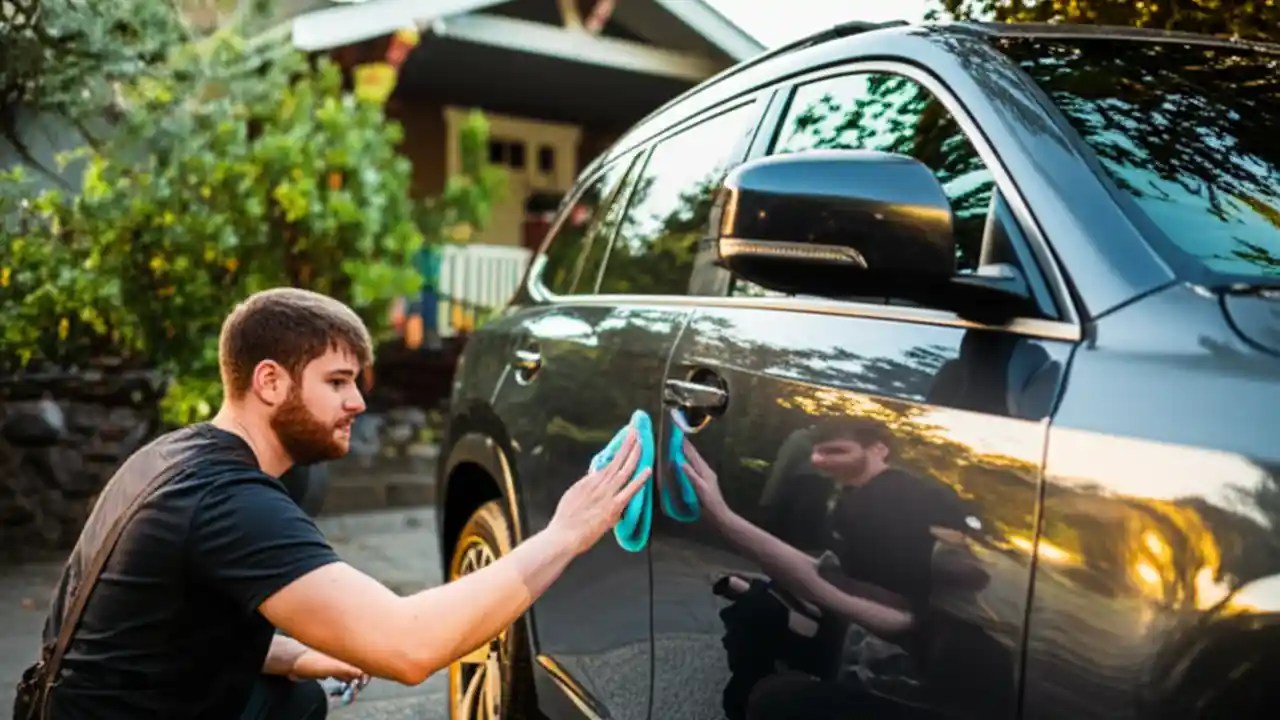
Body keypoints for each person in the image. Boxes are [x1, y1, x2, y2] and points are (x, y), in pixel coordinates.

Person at [33, 287, 647, 719]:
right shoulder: (229, 503)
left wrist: (305, 654)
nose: (357, 402)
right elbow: (410, 647)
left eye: (356, 382)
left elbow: (165, 639)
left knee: (295, 698)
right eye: (337, 382)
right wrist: (566, 532)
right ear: (270, 381)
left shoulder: (172, 457)